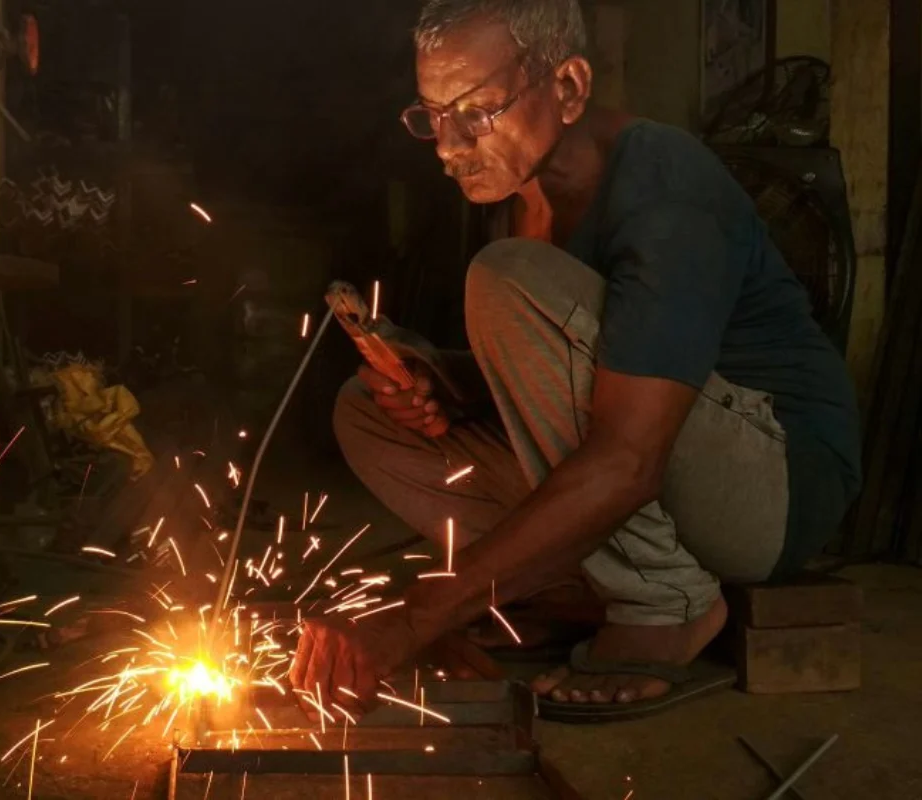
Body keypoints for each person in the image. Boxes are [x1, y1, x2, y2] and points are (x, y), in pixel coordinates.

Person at [289, 0, 861, 722]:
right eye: (431, 114)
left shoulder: (665, 189)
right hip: (658, 455)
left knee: (502, 280)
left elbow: (629, 459)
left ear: (567, 87)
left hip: (775, 488)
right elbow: (581, 375)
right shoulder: (521, 192)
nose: (446, 145)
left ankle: (666, 602)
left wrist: (417, 617)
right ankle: (579, 584)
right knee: (364, 409)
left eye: (476, 110)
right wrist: (448, 383)